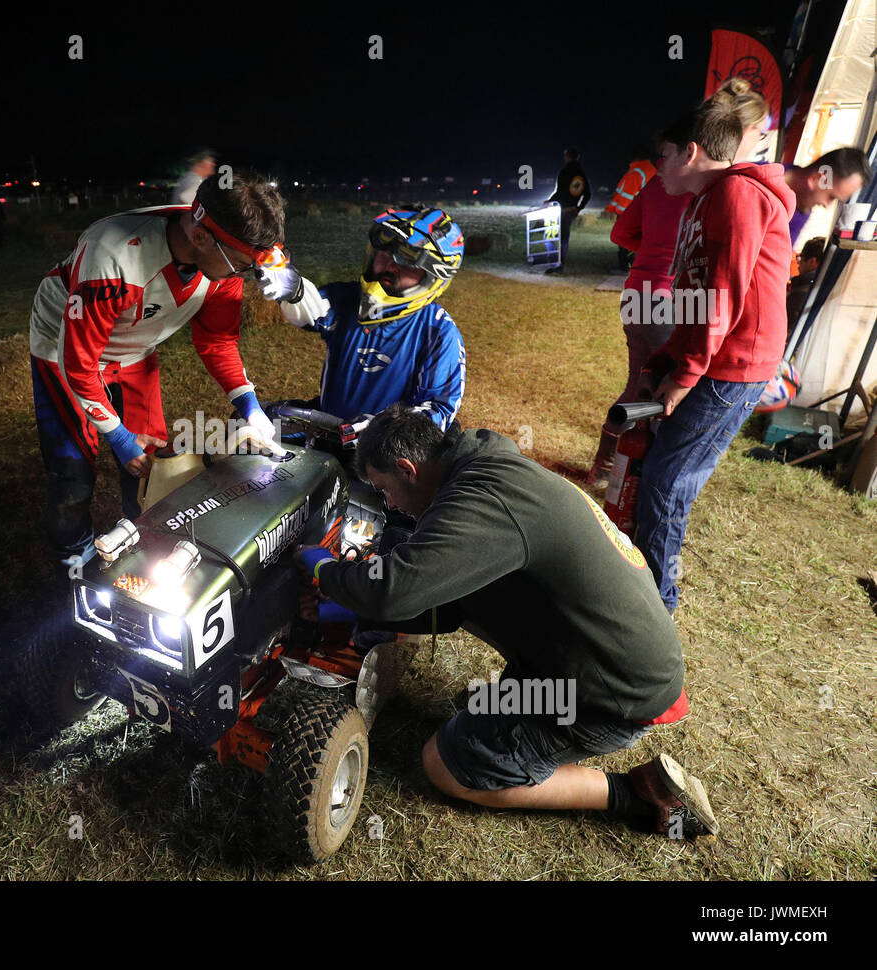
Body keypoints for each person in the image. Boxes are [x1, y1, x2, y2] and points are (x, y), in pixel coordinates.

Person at [293, 406, 715, 838]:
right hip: (613, 660)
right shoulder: (487, 471)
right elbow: (451, 603)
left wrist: (325, 569)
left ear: (408, 469)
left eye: (386, 490)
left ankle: (639, 794)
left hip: (615, 696)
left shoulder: (482, 502)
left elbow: (392, 589)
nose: (392, 504)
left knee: (449, 766)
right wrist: (344, 608)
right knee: (481, 708)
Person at [29, 172, 298, 579]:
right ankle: (77, 562)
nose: (241, 276)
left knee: (153, 461)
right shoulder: (114, 255)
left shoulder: (222, 256)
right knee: (73, 473)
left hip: (134, 348)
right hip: (62, 347)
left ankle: (141, 541)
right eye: (241, 265)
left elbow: (217, 343)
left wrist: (249, 405)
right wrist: (116, 435)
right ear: (202, 238)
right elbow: (80, 365)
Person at [635, 98, 794, 615]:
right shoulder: (705, 201)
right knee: (661, 472)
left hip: (735, 364)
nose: (657, 168)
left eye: (663, 156)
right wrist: (667, 357)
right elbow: (697, 294)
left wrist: (686, 372)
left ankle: (656, 607)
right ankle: (645, 585)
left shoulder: (737, 195)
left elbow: (724, 294)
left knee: (667, 481)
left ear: (691, 151)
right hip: (716, 357)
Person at [589, 78, 770, 483]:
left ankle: (607, 466)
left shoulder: (664, 179)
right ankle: (628, 476)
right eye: (759, 133)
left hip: (639, 291)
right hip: (668, 296)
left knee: (639, 383)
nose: (762, 141)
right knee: (659, 394)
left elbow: (621, 233)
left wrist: (650, 248)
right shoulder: (713, 189)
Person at [276, 206, 466, 430]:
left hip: (383, 456)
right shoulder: (347, 298)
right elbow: (311, 313)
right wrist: (288, 284)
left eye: (407, 262)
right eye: (383, 255)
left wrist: (379, 429)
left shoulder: (437, 331)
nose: (389, 267)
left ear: (432, 277)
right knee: (244, 427)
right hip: (328, 431)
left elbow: (439, 409)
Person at [784, 147, 873, 246]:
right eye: (832, 197)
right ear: (816, 179)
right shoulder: (764, 177)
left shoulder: (801, 212)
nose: (827, 205)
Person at [603, 146, 656, 270]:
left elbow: (624, 198)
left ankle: (626, 267)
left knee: (626, 243)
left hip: (632, 217)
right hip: (648, 216)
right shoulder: (652, 170)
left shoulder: (636, 173)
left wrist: (615, 212)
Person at [544, 148, 590, 274]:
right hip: (571, 210)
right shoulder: (582, 173)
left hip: (560, 209)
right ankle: (560, 264)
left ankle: (554, 261)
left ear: (567, 157)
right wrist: (578, 208)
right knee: (564, 238)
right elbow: (587, 194)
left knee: (548, 236)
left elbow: (559, 192)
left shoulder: (564, 171)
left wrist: (549, 201)